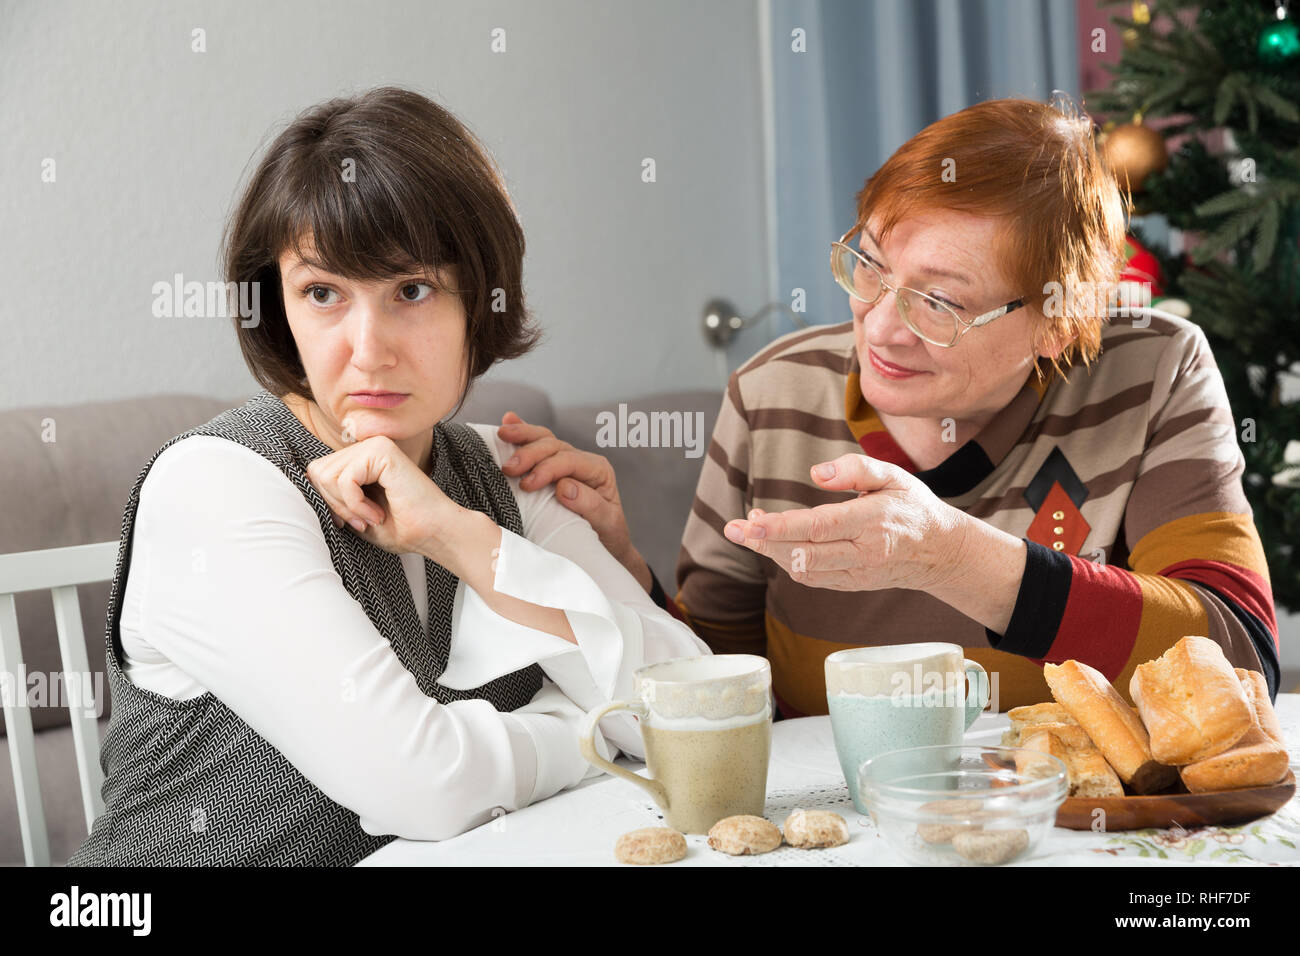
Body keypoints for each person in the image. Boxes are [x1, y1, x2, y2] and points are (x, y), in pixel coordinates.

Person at [69, 87, 708, 866]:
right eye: (323, 294)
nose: (368, 350)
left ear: (480, 301)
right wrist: (580, 727)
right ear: (278, 309)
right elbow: (424, 785)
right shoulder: (216, 489)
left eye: (412, 290)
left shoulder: (503, 469)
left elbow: (701, 716)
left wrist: (459, 534)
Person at [500, 97, 1280, 718]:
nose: (877, 326)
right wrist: (618, 568)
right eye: (869, 263)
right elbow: (718, 678)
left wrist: (953, 557)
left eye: (939, 301)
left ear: (1054, 323)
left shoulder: (1153, 373)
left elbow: (1240, 660)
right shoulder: (771, 395)